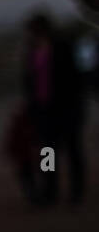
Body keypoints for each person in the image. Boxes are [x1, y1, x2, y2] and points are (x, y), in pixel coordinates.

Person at [22, 12, 86, 204]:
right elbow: (29, 80)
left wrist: (75, 105)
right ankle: (50, 189)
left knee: (72, 150)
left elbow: (74, 77)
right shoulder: (32, 50)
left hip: (65, 108)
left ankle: (76, 190)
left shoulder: (63, 46)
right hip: (44, 110)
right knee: (48, 152)